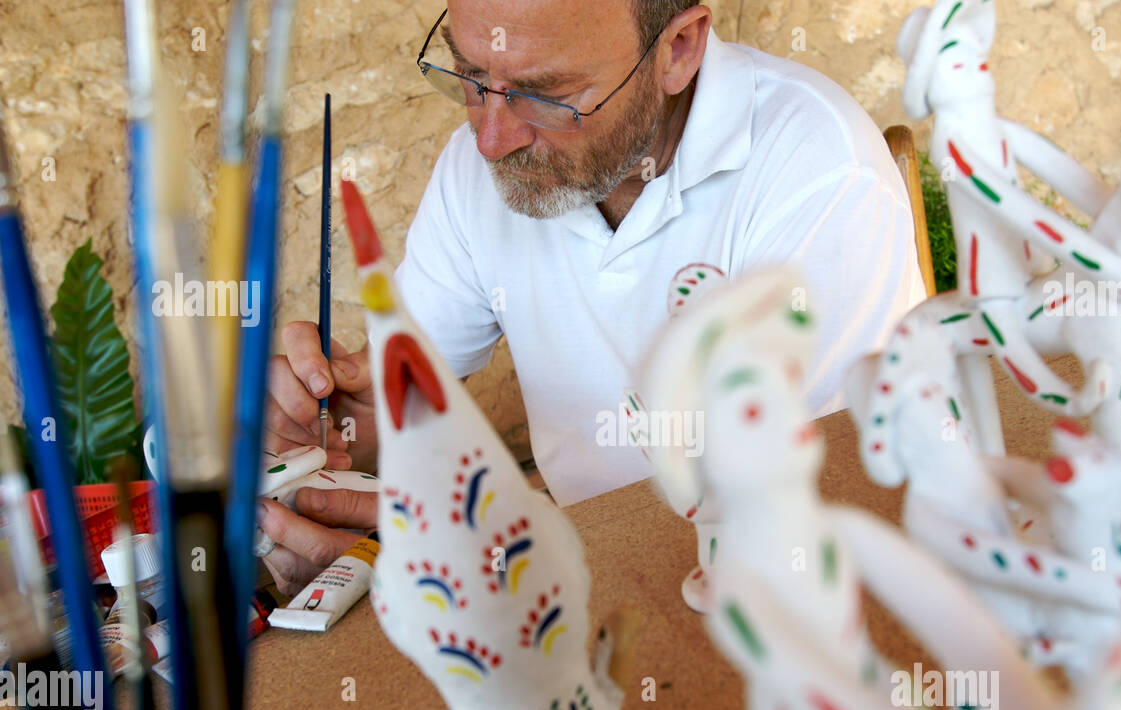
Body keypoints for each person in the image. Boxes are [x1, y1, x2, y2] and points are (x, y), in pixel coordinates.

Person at [258, 0, 925, 592]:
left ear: (679, 49)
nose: (491, 140)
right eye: (469, 76)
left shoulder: (815, 174)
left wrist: (506, 553)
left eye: (545, 96)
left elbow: (824, 522)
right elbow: (386, 416)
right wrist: (330, 427)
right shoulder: (482, 169)